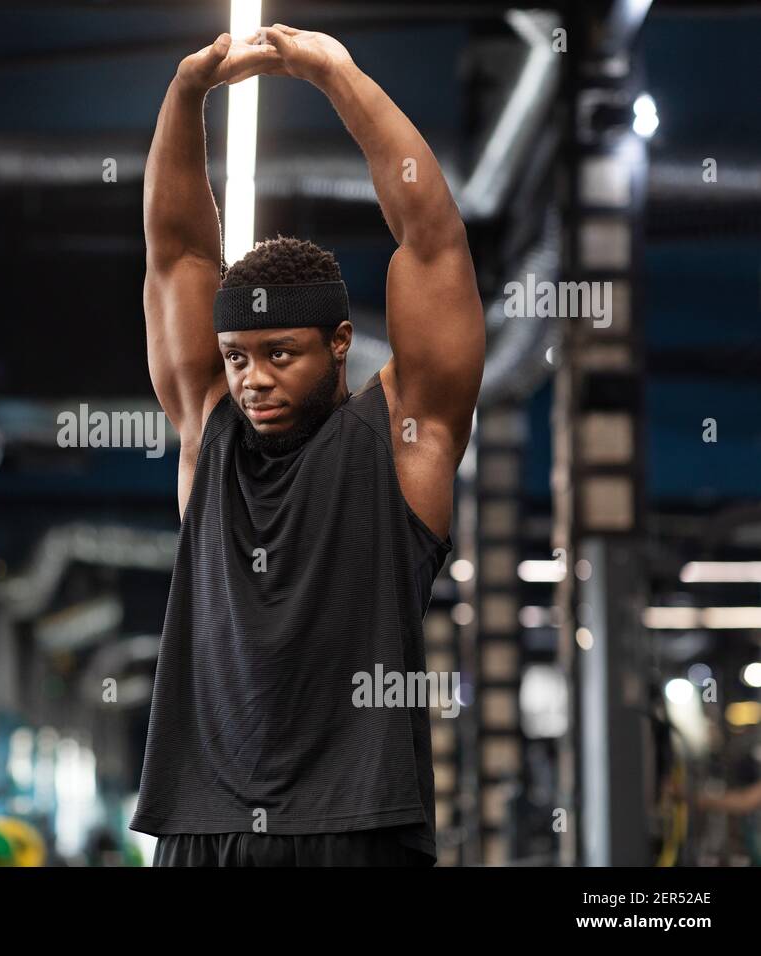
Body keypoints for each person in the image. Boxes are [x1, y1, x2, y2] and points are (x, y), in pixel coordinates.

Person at [129, 25, 484, 866]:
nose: (252, 378)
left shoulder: (402, 443)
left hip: (354, 832)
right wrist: (185, 97)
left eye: (279, 354)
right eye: (237, 358)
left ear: (339, 342)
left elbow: (432, 244)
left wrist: (336, 75)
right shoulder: (207, 439)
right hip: (201, 829)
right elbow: (176, 255)